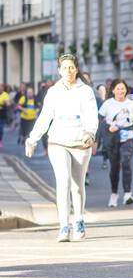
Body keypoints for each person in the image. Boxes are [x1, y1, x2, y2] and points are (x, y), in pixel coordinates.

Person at [25, 53, 98, 242]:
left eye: (71, 67)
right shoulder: (53, 92)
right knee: (63, 181)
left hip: (80, 142)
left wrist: (90, 133)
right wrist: (32, 139)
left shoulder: (85, 91)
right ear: (59, 70)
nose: (68, 71)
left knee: (77, 185)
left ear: (76, 69)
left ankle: (79, 220)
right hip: (57, 141)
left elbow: (92, 115)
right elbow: (45, 117)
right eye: (64, 68)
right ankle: (64, 226)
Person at [98, 78, 133, 207]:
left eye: (123, 88)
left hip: (128, 137)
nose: (120, 91)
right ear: (113, 90)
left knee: (126, 161)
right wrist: (108, 127)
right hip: (112, 138)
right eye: (118, 88)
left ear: (126, 90)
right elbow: (100, 120)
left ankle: (128, 194)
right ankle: (114, 194)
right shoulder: (107, 104)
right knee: (115, 167)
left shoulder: (132, 104)